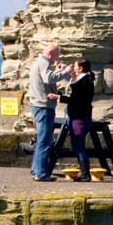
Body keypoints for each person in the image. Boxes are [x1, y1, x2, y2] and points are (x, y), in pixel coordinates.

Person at [28, 44, 68, 181]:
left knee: (41, 140)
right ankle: (41, 173)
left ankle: (36, 170)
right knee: (44, 141)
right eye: (57, 55)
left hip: (38, 105)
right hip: (43, 106)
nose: (58, 58)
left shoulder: (39, 63)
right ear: (51, 54)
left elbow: (46, 77)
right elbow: (48, 78)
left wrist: (56, 71)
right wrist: (66, 72)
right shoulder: (44, 63)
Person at [64, 58, 95, 182]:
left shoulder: (84, 82)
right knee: (77, 145)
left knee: (79, 145)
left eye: (76, 67)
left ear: (81, 68)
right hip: (81, 117)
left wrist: (59, 97)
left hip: (80, 118)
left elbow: (75, 99)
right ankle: (84, 173)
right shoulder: (85, 81)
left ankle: (86, 174)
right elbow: (76, 93)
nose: (74, 69)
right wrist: (72, 78)